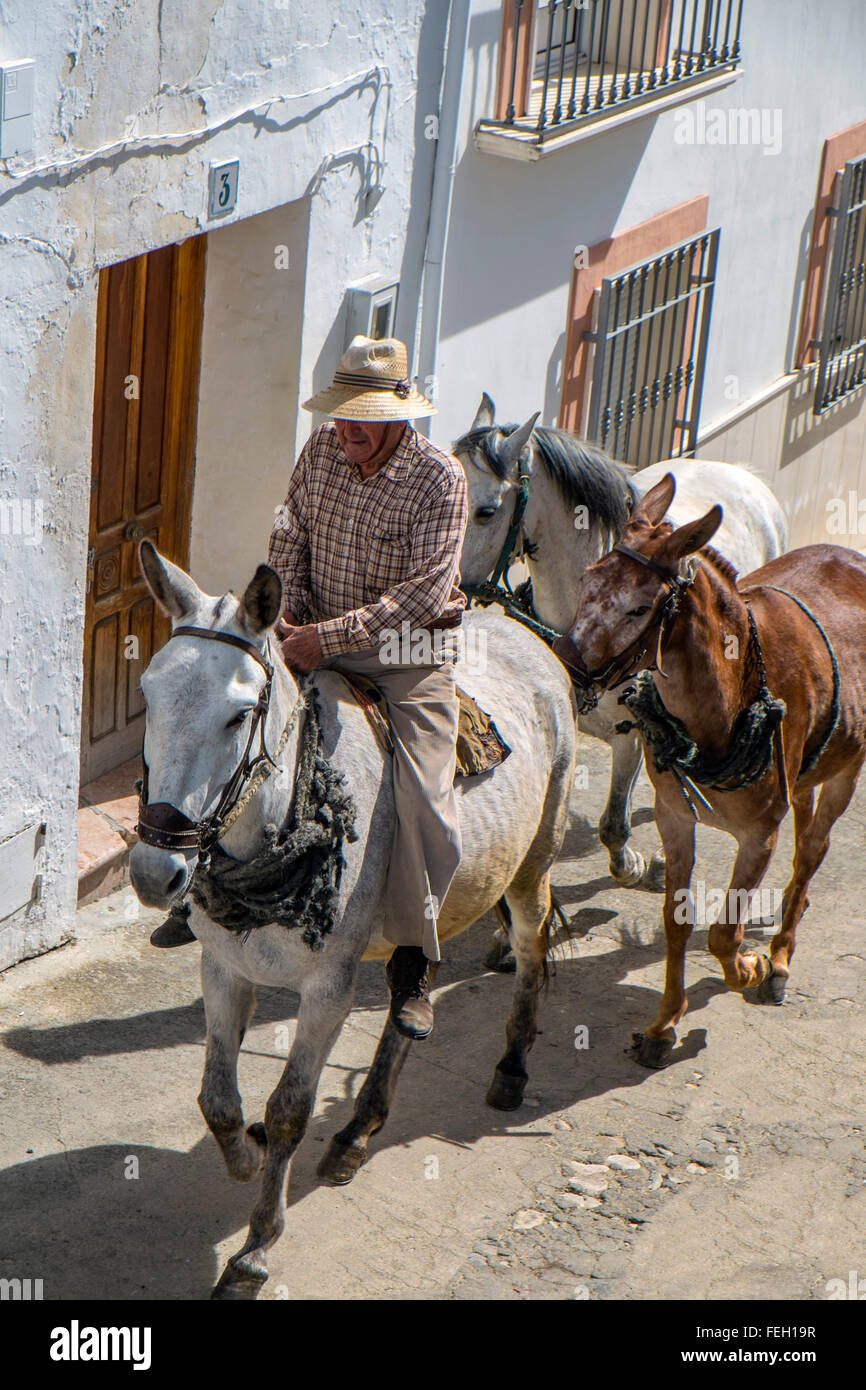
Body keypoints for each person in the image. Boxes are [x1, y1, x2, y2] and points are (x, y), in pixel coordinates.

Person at [266, 335, 469, 1039]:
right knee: (225, 717)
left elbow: (421, 595)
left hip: (406, 652)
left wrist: (329, 639)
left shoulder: (440, 479)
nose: (344, 428)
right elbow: (288, 531)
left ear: (397, 416)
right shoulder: (321, 449)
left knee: (425, 799)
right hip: (309, 632)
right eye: (340, 412)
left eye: (361, 416)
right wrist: (285, 610)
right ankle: (204, 887)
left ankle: (414, 959)